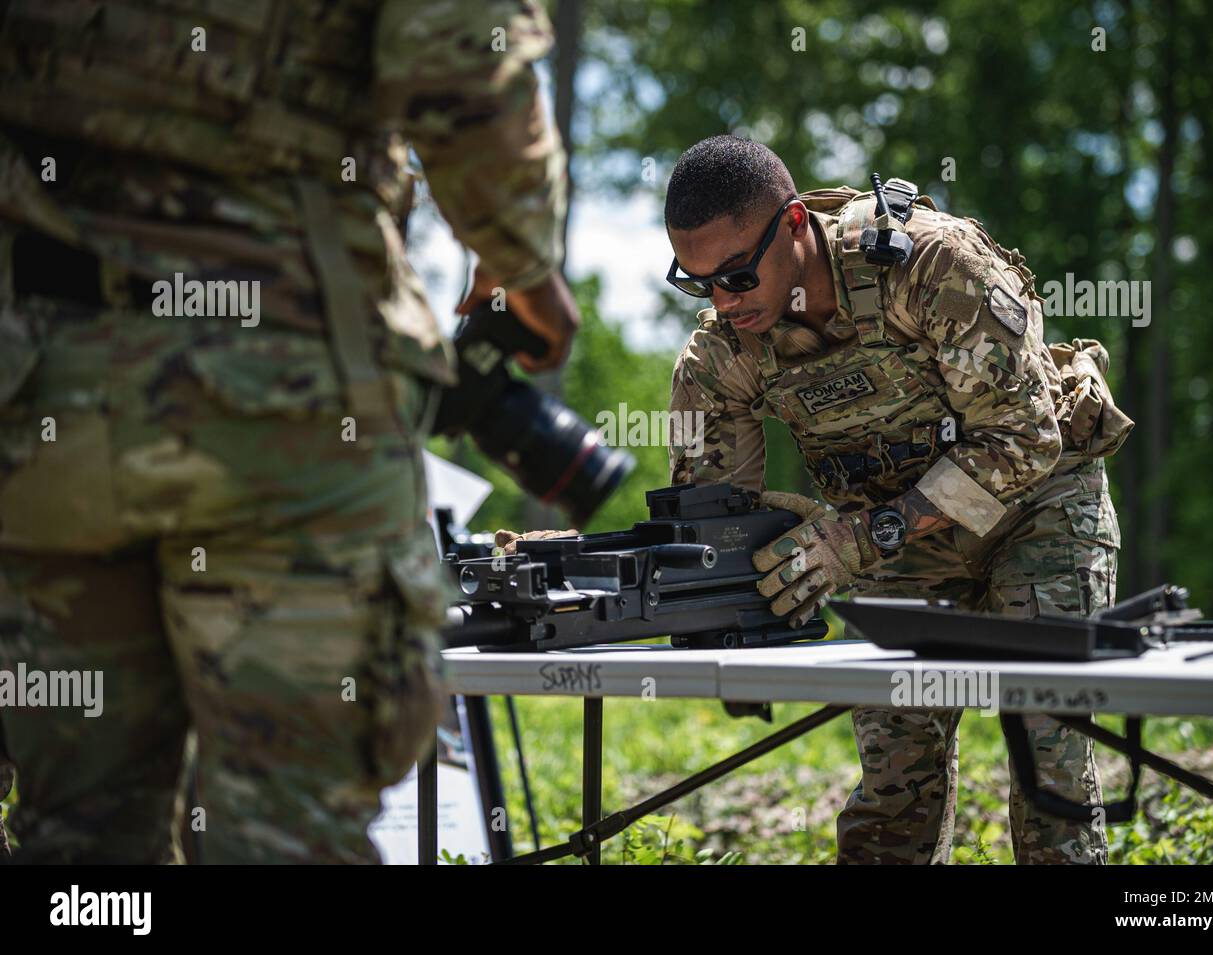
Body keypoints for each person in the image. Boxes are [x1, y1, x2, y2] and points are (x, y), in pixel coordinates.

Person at [0, 0, 578, 863]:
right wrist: (526, 268)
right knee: (288, 831)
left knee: (78, 838)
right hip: (280, 395)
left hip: (43, 391)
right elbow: (464, 65)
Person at [664, 135, 1133, 864]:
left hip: (1037, 506)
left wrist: (860, 538)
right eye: (698, 284)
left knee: (1048, 759)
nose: (724, 303)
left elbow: (1025, 440)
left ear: (794, 226)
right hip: (900, 538)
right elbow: (712, 516)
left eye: (736, 275)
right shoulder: (721, 354)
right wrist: (726, 613)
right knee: (894, 784)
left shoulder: (930, 265)